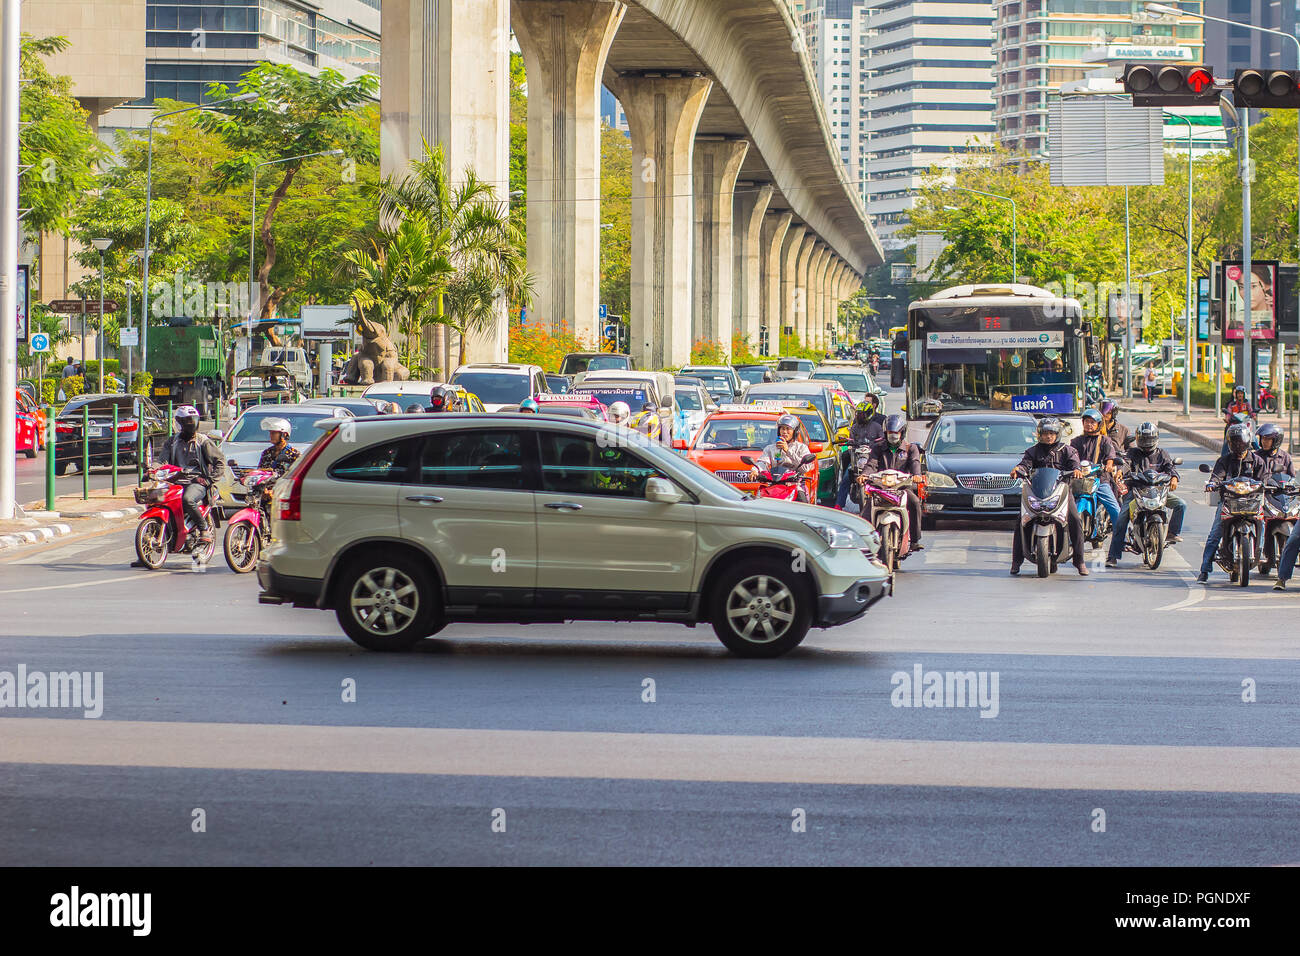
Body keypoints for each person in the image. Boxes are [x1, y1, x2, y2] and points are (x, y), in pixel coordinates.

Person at [1008, 418, 1088, 576]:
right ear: (1039, 435)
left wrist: (1077, 470)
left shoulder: (1068, 450)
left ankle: (1079, 561)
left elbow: (1074, 464)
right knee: (1021, 521)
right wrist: (1018, 469)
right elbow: (1025, 464)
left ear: (1058, 434)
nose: (1048, 437)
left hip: (1061, 492)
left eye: (1052, 433)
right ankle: (1016, 561)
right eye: (1045, 433)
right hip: (1037, 493)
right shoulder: (1032, 451)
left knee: (1075, 519)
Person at [1105, 422, 1186, 567]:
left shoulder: (1162, 454)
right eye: (1144, 439)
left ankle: (1172, 533)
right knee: (1122, 517)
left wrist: (1174, 478)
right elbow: (1125, 464)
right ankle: (1113, 556)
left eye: (1149, 439)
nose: (1147, 442)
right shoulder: (1133, 453)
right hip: (1137, 492)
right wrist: (1119, 471)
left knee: (1181, 504)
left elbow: (1171, 468)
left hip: (1159, 492)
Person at [1197, 423, 1267, 583]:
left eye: (1240, 441)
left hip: (1252, 502)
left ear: (1247, 441)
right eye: (1234, 442)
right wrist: (1212, 483)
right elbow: (1216, 476)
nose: (1237, 445)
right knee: (1215, 533)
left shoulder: (1257, 461)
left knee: (1262, 524)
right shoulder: (1224, 460)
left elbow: (1265, 478)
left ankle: (1261, 551)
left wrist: (1268, 484)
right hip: (1229, 502)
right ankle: (1204, 570)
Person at [155, 404, 226, 546]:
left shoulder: (203, 441)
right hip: (174, 482)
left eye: (193, 420)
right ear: (179, 423)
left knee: (187, 499)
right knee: (156, 499)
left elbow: (220, 462)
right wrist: (152, 470)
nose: (191, 424)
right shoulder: (172, 441)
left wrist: (208, 480)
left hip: (196, 483)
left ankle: (203, 528)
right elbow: (162, 461)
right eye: (187, 421)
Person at [857, 414, 924, 552]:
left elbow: (915, 463)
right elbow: (872, 464)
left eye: (895, 433)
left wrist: (917, 475)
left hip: (902, 488)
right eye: (889, 433)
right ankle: (865, 540)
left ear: (902, 433)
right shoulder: (877, 448)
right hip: (881, 488)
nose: (892, 436)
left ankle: (915, 540)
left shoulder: (911, 448)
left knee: (915, 502)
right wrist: (864, 475)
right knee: (867, 509)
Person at [1069, 408, 1123, 541]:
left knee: (1116, 510)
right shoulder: (1076, 441)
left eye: (1093, 422)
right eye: (1087, 421)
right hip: (1079, 481)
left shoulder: (1105, 440)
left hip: (1099, 480)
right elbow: (1071, 456)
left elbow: (1111, 456)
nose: (1089, 424)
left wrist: (1109, 465)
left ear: (1099, 424)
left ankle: (1121, 539)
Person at [751, 413, 815, 503]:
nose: (784, 432)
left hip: (794, 485)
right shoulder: (770, 448)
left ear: (795, 431)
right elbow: (763, 462)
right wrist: (755, 469)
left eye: (788, 429)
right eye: (782, 429)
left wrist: (787, 450)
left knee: (803, 503)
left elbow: (805, 468)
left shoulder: (802, 448)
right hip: (773, 486)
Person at [836, 395, 886, 510]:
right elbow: (851, 439)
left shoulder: (877, 426)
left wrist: (878, 443)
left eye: (862, 414)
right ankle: (839, 504)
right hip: (858, 457)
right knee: (846, 478)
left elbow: (883, 439)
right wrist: (850, 442)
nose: (860, 416)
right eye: (858, 414)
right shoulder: (854, 427)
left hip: (871, 457)